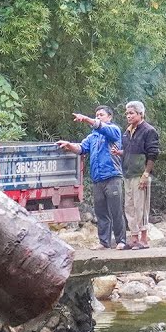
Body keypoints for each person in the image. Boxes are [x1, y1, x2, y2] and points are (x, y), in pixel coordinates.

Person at [57, 107, 126, 249]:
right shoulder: (92, 137)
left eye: (101, 115)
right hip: (97, 179)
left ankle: (121, 241)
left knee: (116, 210)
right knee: (101, 212)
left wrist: (86, 119)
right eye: (96, 115)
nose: (98, 117)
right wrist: (69, 145)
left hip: (112, 176)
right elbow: (81, 148)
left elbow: (101, 127)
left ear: (109, 117)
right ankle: (104, 242)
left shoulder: (114, 130)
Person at [119, 101, 160, 249]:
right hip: (128, 173)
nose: (128, 116)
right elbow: (130, 151)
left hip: (140, 173)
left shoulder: (149, 131)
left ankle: (144, 239)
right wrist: (120, 153)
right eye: (127, 113)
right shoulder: (127, 131)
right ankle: (134, 238)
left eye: (131, 113)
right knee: (129, 206)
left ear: (140, 114)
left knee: (141, 206)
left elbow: (153, 153)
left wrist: (146, 174)